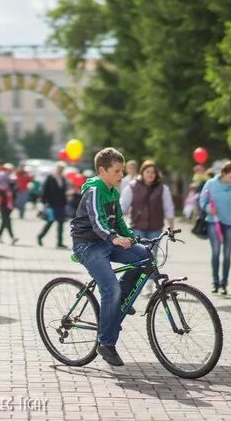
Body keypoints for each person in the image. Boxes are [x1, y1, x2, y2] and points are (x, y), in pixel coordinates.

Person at [70, 148, 150, 368]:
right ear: (102, 170)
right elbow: (98, 222)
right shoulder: (95, 191)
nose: (121, 175)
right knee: (110, 288)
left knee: (145, 256)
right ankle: (105, 343)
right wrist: (115, 238)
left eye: (122, 170)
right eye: (116, 171)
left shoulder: (113, 190)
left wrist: (132, 238)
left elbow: (119, 222)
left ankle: (123, 300)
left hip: (106, 241)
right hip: (87, 245)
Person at [199, 161, 231, 296]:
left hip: (230, 224)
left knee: (227, 254)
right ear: (223, 174)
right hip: (213, 222)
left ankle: (224, 283)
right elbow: (202, 200)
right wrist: (209, 208)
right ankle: (215, 282)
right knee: (215, 252)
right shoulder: (210, 184)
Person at [120, 160, 176, 240]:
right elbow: (123, 206)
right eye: (147, 172)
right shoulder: (132, 186)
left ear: (156, 174)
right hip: (137, 228)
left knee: (152, 252)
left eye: (153, 172)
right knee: (140, 252)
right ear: (142, 172)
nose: (150, 174)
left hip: (156, 229)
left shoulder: (163, 189)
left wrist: (172, 230)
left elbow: (169, 209)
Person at [37, 163, 68, 248]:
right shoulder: (50, 178)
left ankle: (59, 242)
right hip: (51, 204)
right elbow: (44, 190)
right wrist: (43, 202)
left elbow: (63, 191)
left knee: (61, 223)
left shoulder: (63, 178)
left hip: (61, 204)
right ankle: (40, 236)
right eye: (59, 168)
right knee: (50, 221)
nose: (61, 170)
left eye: (62, 169)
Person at [0, 164, 17, 244]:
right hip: (2, 204)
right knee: (7, 219)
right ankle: (12, 237)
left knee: (5, 220)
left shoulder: (12, 180)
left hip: (9, 204)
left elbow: (15, 191)